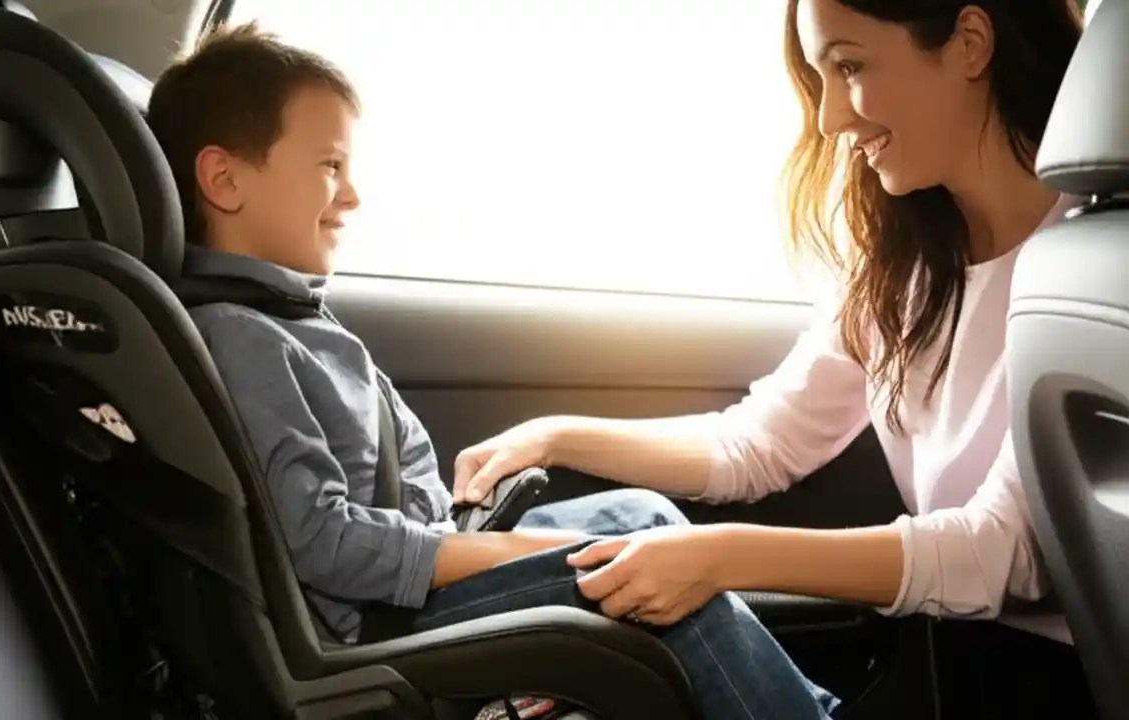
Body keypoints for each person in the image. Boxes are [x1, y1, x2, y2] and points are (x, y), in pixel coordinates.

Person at [146, 22, 836, 719]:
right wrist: (496, 551)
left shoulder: (283, 316)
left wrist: (483, 538)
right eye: (330, 166)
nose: (351, 195)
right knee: (652, 576)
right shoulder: (241, 336)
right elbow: (322, 542)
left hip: (411, 580)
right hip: (382, 626)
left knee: (646, 519)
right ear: (223, 179)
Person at [455, 0, 1095, 716]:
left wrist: (718, 560)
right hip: (950, 675)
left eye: (849, 66)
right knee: (630, 530)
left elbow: (998, 553)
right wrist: (555, 435)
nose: (827, 120)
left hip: (1067, 686)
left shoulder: (1096, 275)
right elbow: (757, 444)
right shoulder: (906, 268)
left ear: (970, 44)